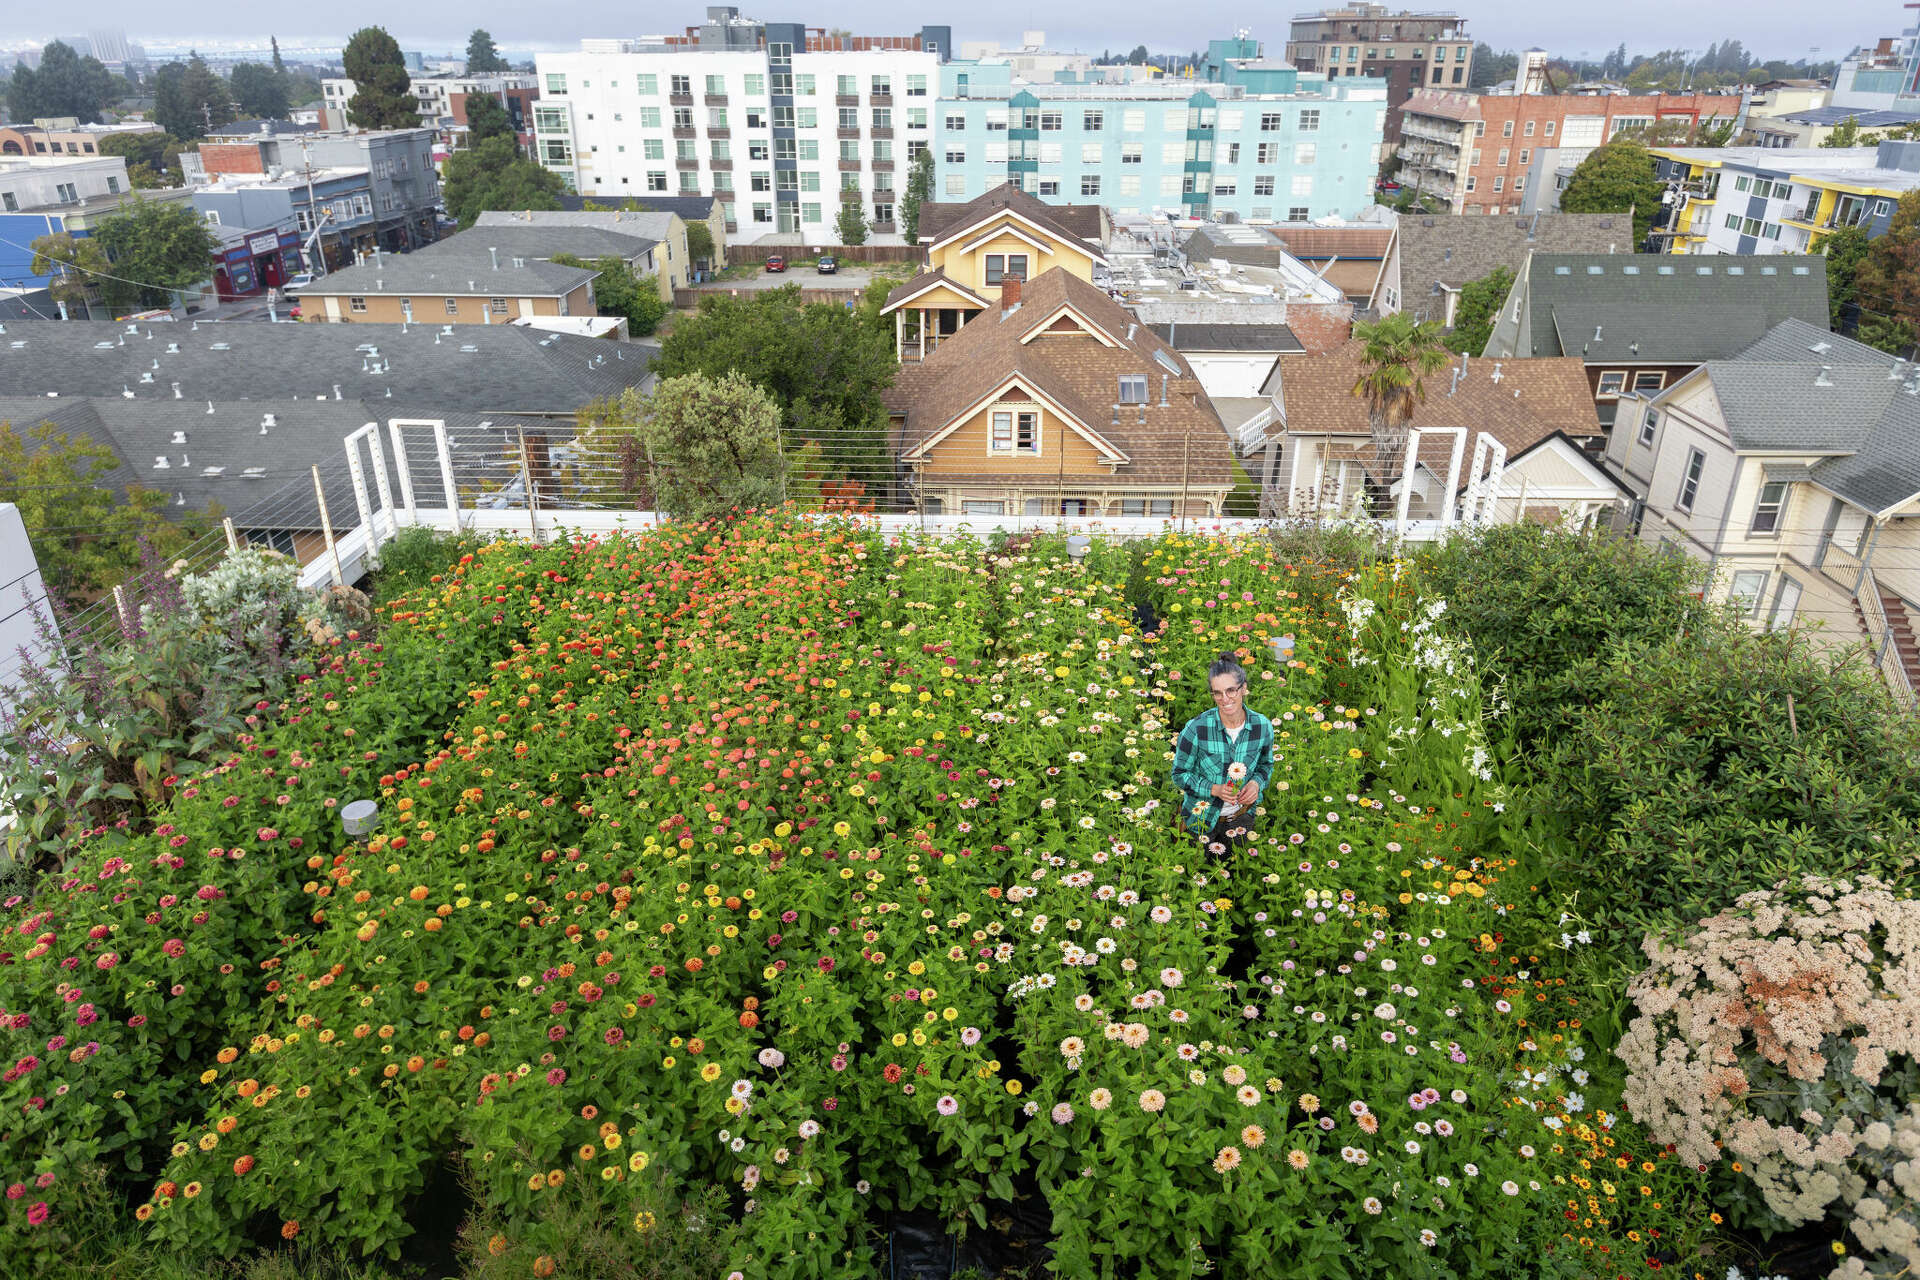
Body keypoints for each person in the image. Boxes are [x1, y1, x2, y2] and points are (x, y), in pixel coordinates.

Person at [1170, 654, 1274, 857]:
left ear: (1243, 688)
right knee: (1199, 872)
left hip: (1241, 818)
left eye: (1231, 690)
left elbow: (1266, 765)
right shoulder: (1197, 729)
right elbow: (1179, 774)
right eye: (1217, 693)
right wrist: (1214, 789)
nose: (1224, 699)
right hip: (1200, 819)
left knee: (1233, 871)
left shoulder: (1262, 727)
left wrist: (1255, 784)